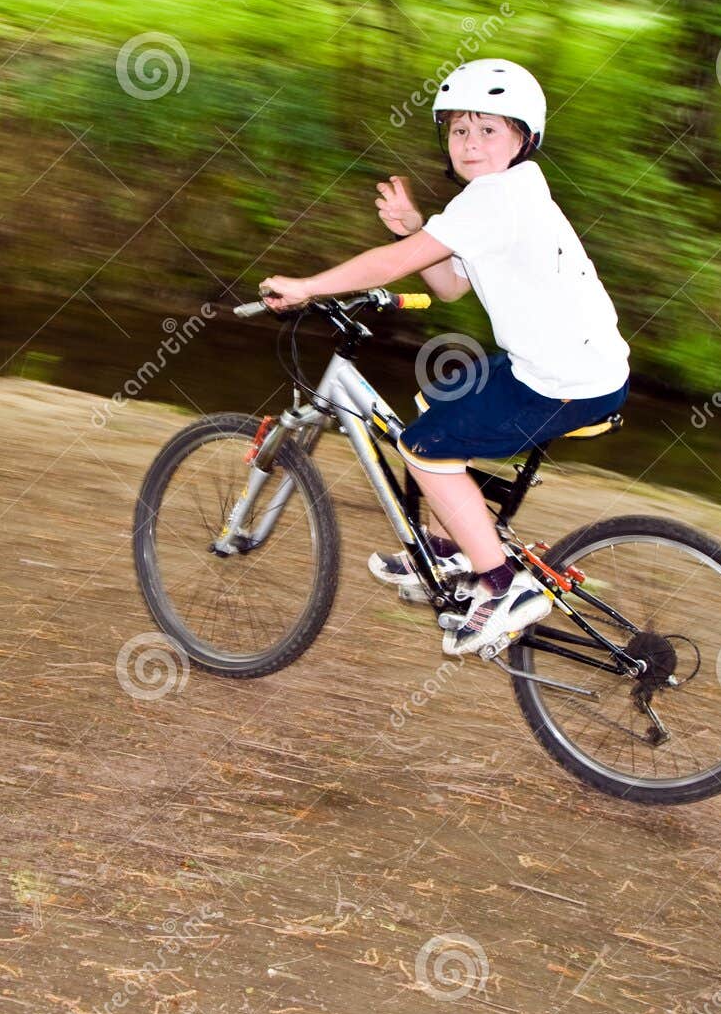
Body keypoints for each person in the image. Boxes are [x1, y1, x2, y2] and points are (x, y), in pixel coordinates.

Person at [260, 59, 630, 656]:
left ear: (522, 138)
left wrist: (307, 286)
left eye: (489, 130)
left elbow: (389, 265)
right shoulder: (507, 192)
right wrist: (417, 227)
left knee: (423, 450)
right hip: (569, 365)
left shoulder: (495, 200)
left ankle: (502, 586)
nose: (471, 143)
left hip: (563, 380)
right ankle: (449, 545)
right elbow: (452, 285)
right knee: (437, 399)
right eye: (460, 130)